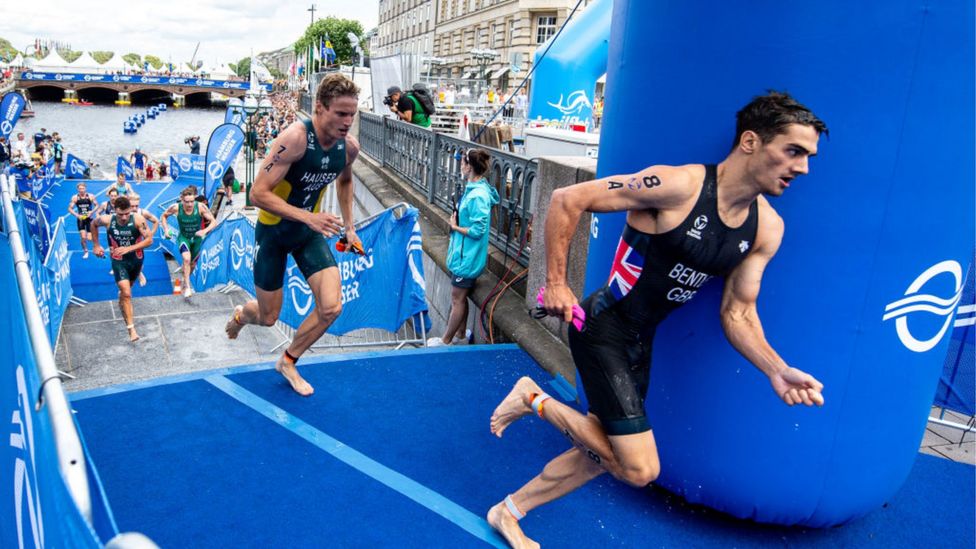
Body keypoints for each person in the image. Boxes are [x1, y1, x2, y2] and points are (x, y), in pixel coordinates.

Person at [485, 91, 829, 548]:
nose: (803, 168)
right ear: (750, 141)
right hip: (600, 326)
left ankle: (508, 513)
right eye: (794, 151)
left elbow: (738, 312)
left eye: (808, 157)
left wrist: (776, 369)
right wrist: (558, 283)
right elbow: (568, 198)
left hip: (640, 341)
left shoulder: (767, 228)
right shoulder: (677, 187)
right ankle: (532, 398)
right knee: (639, 468)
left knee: (597, 452)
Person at [224, 73, 362, 397]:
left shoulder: (348, 149)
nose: (347, 122)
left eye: (352, 114)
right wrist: (309, 217)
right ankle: (242, 314)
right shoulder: (296, 139)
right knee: (268, 316)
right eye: (341, 113)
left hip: (306, 231)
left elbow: (344, 181)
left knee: (331, 307)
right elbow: (257, 193)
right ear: (319, 108)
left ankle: (288, 361)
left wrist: (350, 226)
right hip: (273, 231)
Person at [427, 148, 498, 347]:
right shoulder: (476, 189)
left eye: (462, 163)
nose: (460, 166)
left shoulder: (477, 196)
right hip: (464, 255)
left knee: (457, 298)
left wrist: (456, 226)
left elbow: (478, 230)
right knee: (461, 297)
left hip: (467, 258)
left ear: (469, 167)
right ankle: (461, 336)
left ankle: (446, 341)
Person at [91, 195, 154, 342]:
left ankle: (123, 301)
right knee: (126, 293)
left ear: (131, 210)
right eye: (121, 214)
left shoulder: (138, 219)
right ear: (114, 210)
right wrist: (96, 245)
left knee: (128, 289)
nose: (124, 217)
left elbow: (149, 240)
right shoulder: (107, 220)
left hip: (136, 260)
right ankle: (131, 330)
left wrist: (128, 248)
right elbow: (93, 224)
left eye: (127, 214)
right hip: (118, 261)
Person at [161, 188, 216, 298]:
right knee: (186, 259)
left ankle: (183, 280)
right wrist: (166, 230)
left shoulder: (200, 206)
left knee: (191, 265)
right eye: (187, 202)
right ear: (182, 200)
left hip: (197, 239)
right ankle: (187, 286)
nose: (190, 204)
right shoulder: (176, 208)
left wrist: (204, 231)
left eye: (192, 201)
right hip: (184, 238)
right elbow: (164, 216)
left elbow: (214, 221)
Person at [129, 193, 160, 288]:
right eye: (132, 206)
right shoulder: (123, 213)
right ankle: (127, 286)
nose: (134, 208)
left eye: (136, 206)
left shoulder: (143, 212)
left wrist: (151, 235)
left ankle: (138, 273)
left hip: (138, 243)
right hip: (124, 241)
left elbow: (156, 221)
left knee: (138, 262)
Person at [68, 182, 98, 259]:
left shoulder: (90, 196)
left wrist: (92, 212)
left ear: (85, 188)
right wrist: (77, 215)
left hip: (89, 219)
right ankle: (85, 251)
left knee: (90, 238)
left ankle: (96, 247)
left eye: (83, 188)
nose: (81, 190)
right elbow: (69, 208)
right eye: (80, 189)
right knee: (83, 237)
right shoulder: (75, 198)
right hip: (81, 219)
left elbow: (97, 205)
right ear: (78, 189)